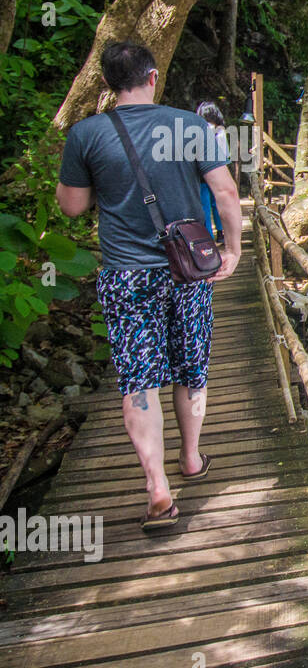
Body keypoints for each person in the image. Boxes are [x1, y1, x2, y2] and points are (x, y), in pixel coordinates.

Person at [56, 42, 241, 530]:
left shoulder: (86, 134)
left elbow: (72, 207)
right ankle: (191, 458)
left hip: (126, 274)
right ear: (153, 77)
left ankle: (157, 487)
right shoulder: (189, 126)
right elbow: (225, 192)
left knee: (139, 379)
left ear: (106, 84)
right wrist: (234, 251)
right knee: (191, 368)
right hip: (188, 271)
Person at [194, 101, 228, 244]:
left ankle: (208, 236)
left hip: (201, 173)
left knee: (204, 205)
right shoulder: (220, 131)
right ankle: (221, 232)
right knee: (217, 203)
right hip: (218, 170)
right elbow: (225, 153)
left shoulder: (197, 129)